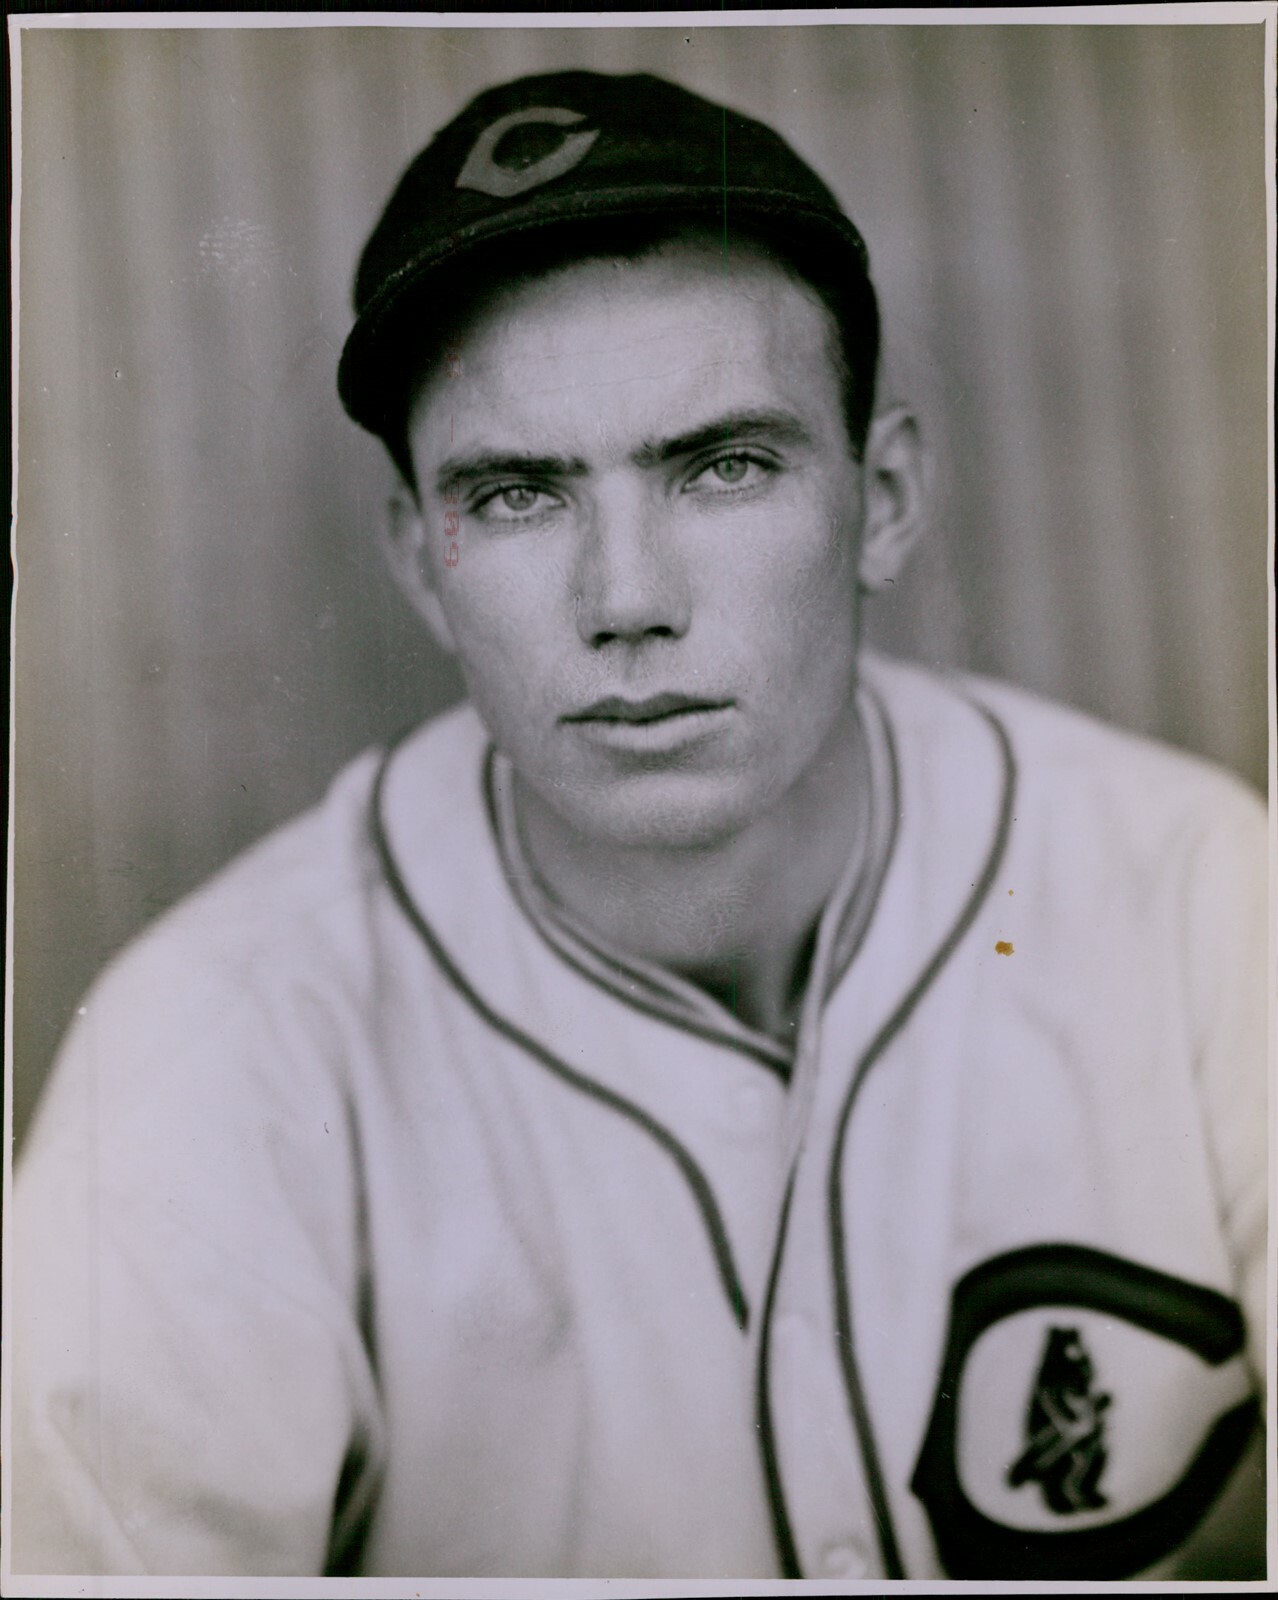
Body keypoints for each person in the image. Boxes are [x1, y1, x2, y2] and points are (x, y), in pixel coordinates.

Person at [10, 69, 1267, 1582]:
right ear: (420, 560)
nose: (626, 602)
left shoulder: (1198, 893)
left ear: (882, 500)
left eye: (722, 467)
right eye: (521, 495)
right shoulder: (215, 1049)